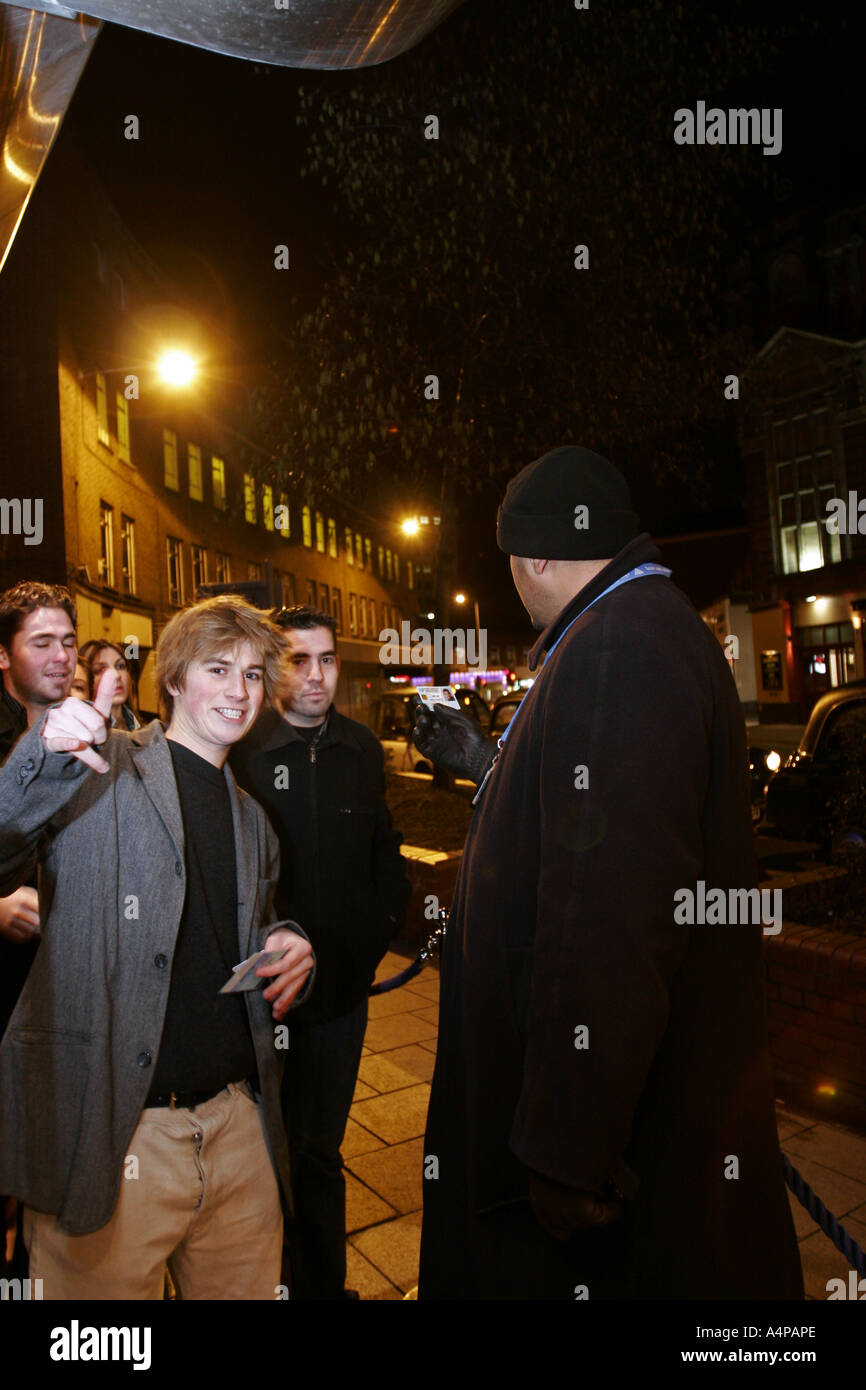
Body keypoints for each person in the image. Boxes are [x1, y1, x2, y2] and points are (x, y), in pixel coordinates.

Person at [412, 445, 804, 1301]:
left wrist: (566, 1147)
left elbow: (612, 917)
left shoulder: (617, 645)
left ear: (537, 558)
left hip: (620, 1168)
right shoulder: (634, 630)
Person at [0, 595, 315, 1300]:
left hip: (238, 1129)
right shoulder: (97, 763)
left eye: (254, 675)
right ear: (173, 678)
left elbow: (243, 931)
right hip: (114, 1131)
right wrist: (39, 759)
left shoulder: (253, 819)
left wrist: (288, 944)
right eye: (218, 668)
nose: (239, 691)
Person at [231, 604, 411, 1299]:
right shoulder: (242, 749)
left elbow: (384, 851)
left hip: (340, 995)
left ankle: (324, 1291)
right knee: (261, 1158)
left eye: (327, 659)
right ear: (275, 665)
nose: (316, 675)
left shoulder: (361, 750)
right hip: (262, 999)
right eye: (299, 660)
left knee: (321, 1152)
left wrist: (379, 926)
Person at [77, 638, 142, 729]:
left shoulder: (147, 733)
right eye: (101, 670)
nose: (116, 675)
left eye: (120, 666)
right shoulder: (80, 736)